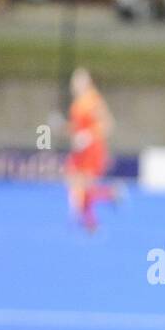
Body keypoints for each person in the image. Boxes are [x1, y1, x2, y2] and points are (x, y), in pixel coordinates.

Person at [63, 68, 117, 234]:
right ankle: (93, 213)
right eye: (74, 80)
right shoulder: (76, 104)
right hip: (80, 152)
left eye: (79, 80)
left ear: (87, 82)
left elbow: (107, 125)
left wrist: (88, 136)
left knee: (84, 186)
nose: (75, 84)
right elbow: (76, 130)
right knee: (74, 180)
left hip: (93, 151)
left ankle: (93, 217)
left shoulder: (93, 100)